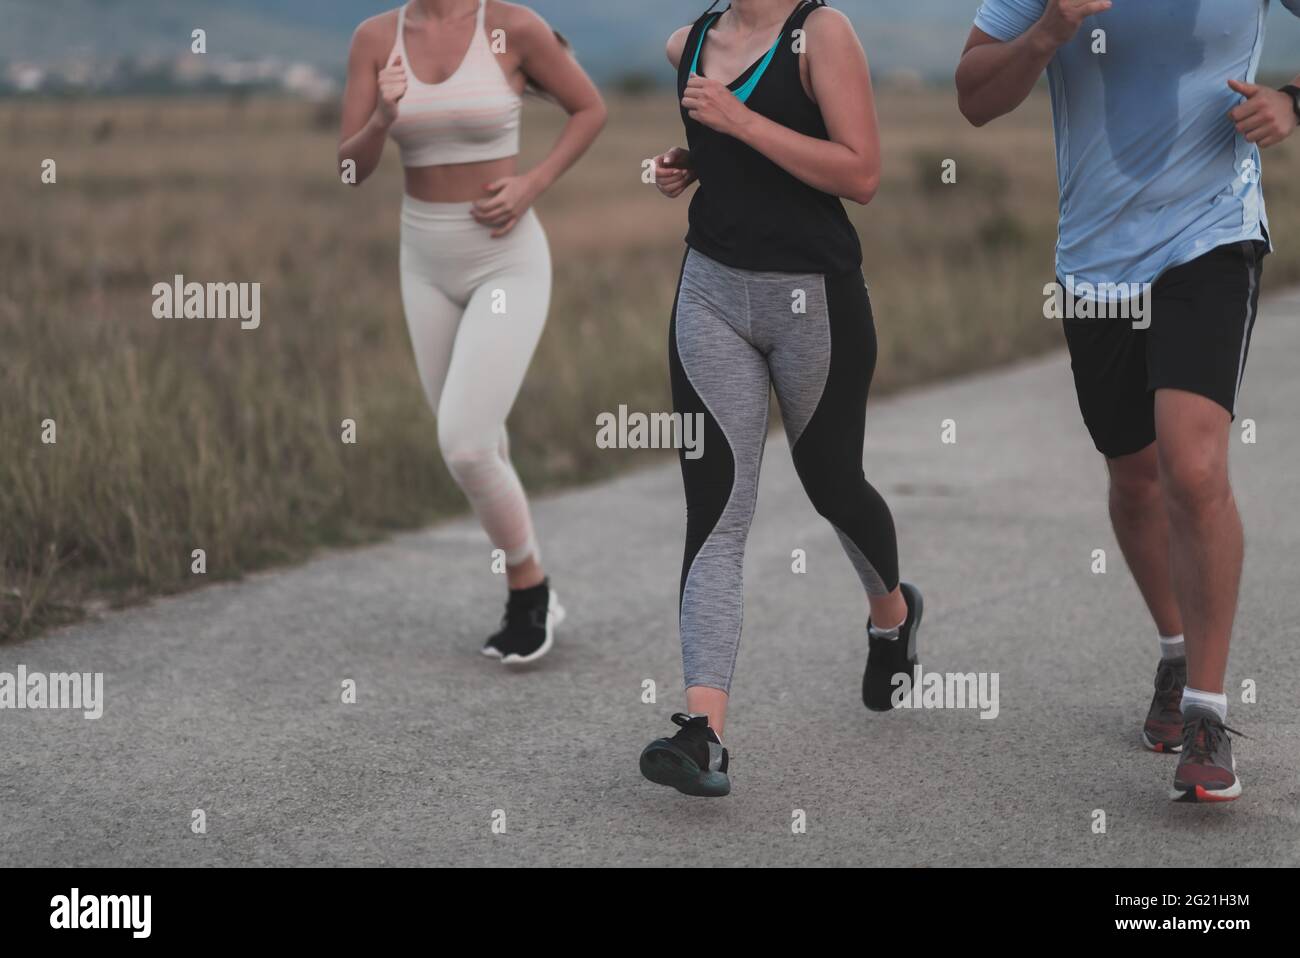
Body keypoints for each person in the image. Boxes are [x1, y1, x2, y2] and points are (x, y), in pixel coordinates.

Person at [956, 0, 1300, 801]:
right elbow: (974, 97)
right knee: (1136, 476)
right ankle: (1176, 651)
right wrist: (1050, 30)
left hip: (1211, 235)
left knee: (1193, 462)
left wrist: (1291, 100)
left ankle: (1208, 712)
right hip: (1097, 257)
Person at [640, 0, 923, 798]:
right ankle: (703, 733)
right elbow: (740, 156)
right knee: (717, 507)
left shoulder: (821, 33)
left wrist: (735, 123)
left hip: (814, 301)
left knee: (833, 484)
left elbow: (860, 172)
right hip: (711, 294)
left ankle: (893, 618)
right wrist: (694, 162)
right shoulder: (687, 42)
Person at [337, 0, 606, 663]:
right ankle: (533, 579)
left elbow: (591, 108)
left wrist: (531, 184)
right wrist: (383, 117)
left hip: (507, 258)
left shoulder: (512, 26)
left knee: (463, 444)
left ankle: (529, 590)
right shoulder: (374, 38)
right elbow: (348, 169)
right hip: (423, 262)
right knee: (481, 441)